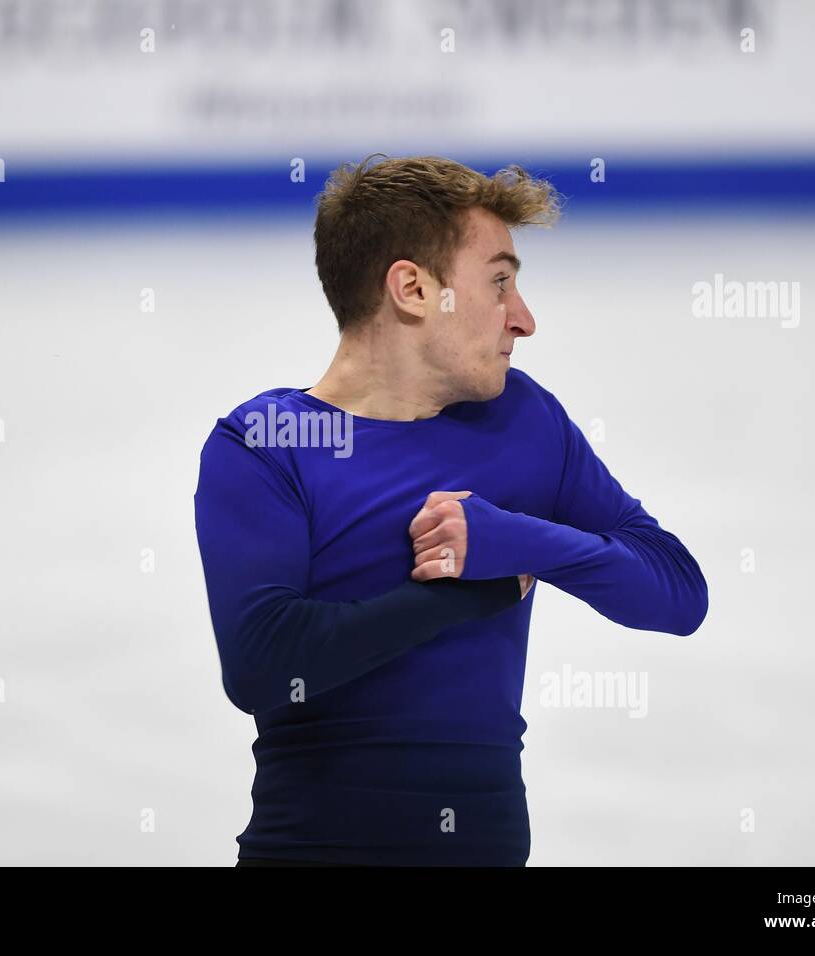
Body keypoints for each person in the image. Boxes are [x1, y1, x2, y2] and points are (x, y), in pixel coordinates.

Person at [194, 155, 708, 867]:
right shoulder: (269, 442)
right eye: (499, 282)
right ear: (412, 289)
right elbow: (262, 666)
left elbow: (679, 595)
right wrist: (478, 590)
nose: (523, 319)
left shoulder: (524, 420)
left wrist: (520, 540)